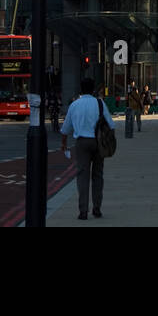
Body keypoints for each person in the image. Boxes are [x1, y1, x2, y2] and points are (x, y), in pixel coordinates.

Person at [61, 77, 111, 220]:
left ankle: (83, 211)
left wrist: (63, 144)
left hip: (82, 143)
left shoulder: (75, 105)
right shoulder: (100, 103)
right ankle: (97, 209)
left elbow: (65, 129)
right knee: (98, 175)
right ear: (93, 88)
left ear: (81, 89)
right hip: (98, 142)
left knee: (82, 177)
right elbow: (111, 125)